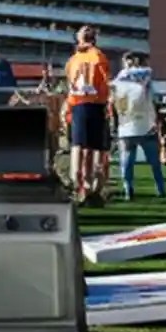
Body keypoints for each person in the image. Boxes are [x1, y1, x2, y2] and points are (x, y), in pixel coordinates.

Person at [64, 25, 111, 205]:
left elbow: (71, 85)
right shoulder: (98, 56)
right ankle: (90, 188)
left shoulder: (74, 59)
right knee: (93, 149)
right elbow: (106, 83)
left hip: (81, 105)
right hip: (94, 105)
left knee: (81, 148)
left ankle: (82, 186)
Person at [110, 52, 166, 200]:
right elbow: (154, 99)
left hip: (126, 125)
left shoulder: (118, 80)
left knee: (127, 162)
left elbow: (113, 103)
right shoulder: (147, 75)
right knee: (154, 161)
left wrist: (115, 123)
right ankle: (160, 189)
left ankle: (128, 190)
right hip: (146, 124)